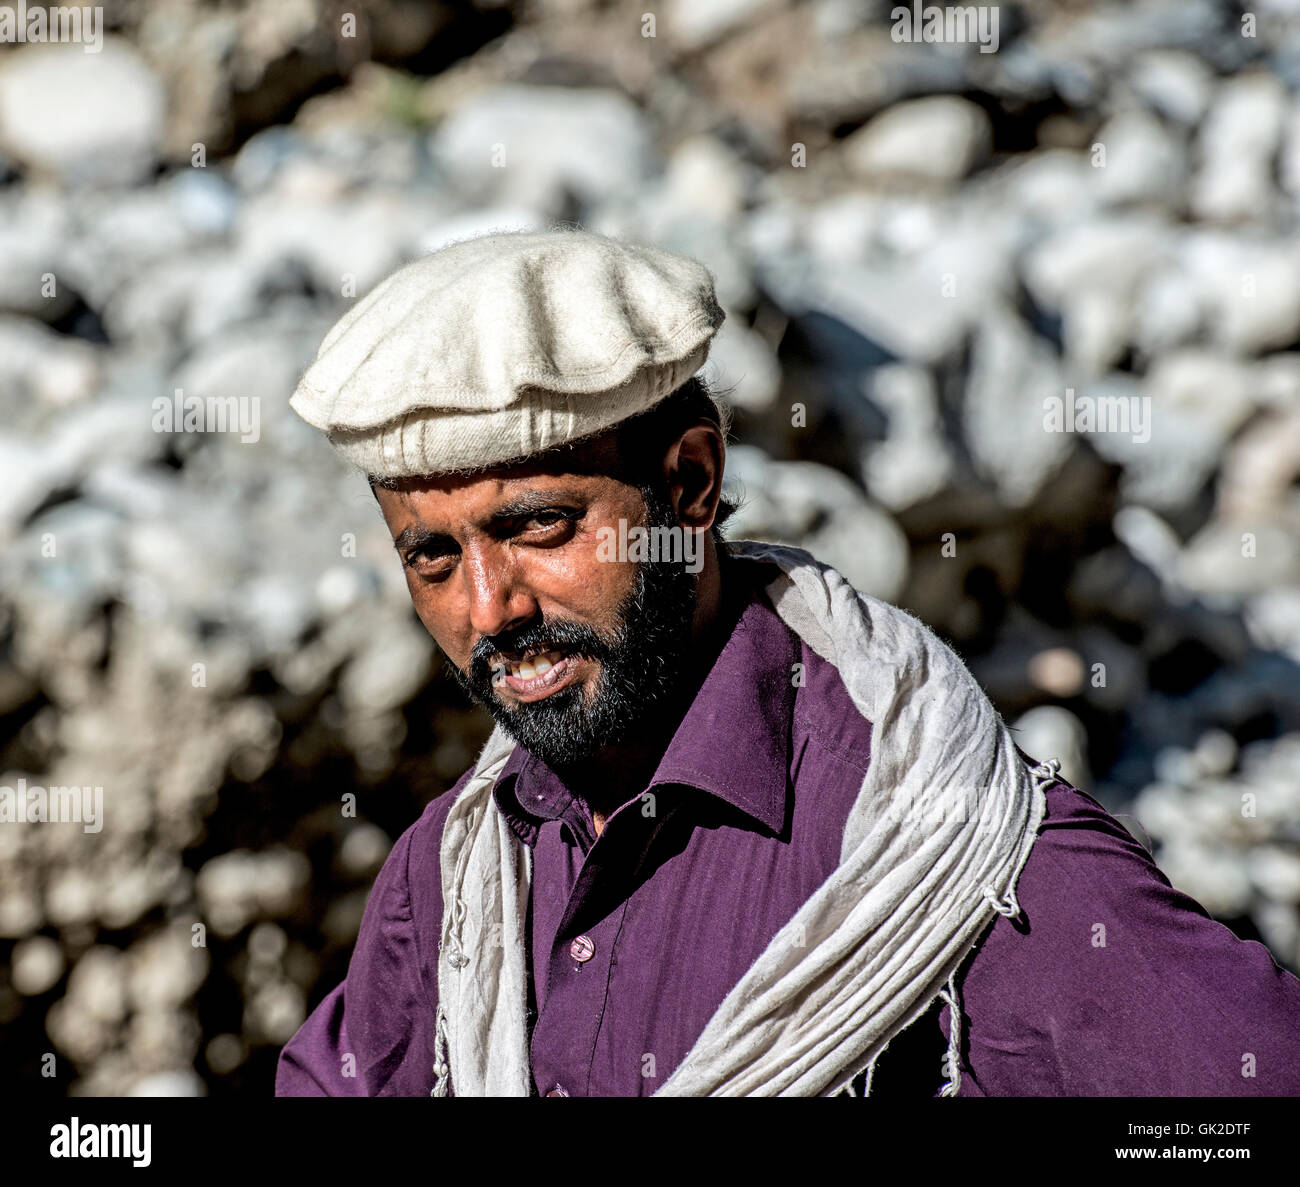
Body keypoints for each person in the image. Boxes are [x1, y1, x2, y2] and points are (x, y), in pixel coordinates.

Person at [276, 228, 1300, 1097]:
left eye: (540, 526)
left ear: (688, 485)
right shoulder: (464, 861)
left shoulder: (934, 838)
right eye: (434, 557)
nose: (489, 609)